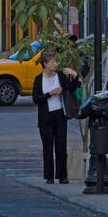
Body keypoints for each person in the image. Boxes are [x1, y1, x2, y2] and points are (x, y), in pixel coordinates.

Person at [32, 51, 79, 185]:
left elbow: (70, 88)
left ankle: (62, 176)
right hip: (45, 117)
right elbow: (35, 99)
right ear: (45, 64)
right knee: (47, 147)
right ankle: (49, 176)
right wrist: (50, 93)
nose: (55, 64)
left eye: (55, 61)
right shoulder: (38, 79)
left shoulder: (60, 76)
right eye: (52, 62)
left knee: (61, 146)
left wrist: (74, 76)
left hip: (60, 115)